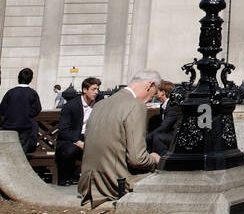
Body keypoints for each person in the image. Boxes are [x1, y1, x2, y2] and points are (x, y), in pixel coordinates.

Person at [78, 70, 161, 207]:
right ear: (149, 85)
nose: (149, 100)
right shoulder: (136, 105)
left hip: (89, 185)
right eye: (152, 96)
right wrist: (154, 159)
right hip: (116, 184)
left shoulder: (99, 105)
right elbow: (138, 159)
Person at [55, 77, 100, 186]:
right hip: (71, 138)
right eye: (93, 89)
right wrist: (78, 142)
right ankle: (65, 178)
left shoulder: (99, 103)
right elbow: (63, 130)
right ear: (85, 90)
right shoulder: (71, 106)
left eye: (97, 89)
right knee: (69, 150)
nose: (96, 92)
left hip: (90, 137)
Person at [146, 80, 179, 156]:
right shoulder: (163, 106)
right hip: (168, 134)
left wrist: (147, 138)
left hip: (175, 136)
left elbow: (164, 127)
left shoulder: (172, 106)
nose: (154, 93)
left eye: (157, 91)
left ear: (163, 93)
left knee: (158, 137)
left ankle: (159, 161)